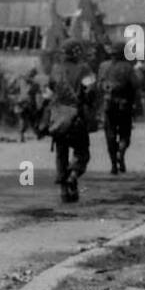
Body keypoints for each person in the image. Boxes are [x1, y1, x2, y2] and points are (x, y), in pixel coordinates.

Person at [47, 41, 96, 202]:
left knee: (61, 153)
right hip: (76, 117)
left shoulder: (55, 69)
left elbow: (49, 91)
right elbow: (91, 91)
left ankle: (63, 190)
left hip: (58, 117)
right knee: (82, 152)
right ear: (76, 52)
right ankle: (73, 175)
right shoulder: (84, 69)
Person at [98, 42, 138, 174]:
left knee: (110, 135)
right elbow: (135, 84)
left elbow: (98, 86)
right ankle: (121, 152)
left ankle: (114, 164)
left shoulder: (103, 66)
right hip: (124, 106)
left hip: (108, 105)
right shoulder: (128, 67)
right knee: (125, 134)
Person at [16, 67, 41, 143]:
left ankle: (21, 136)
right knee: (32, 119)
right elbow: (38, 93)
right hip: (29, 103)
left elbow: (16, 89)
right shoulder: (35, 84)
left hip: (21, 101)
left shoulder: (21, 81)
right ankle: (37, 134)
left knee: (22, 119)